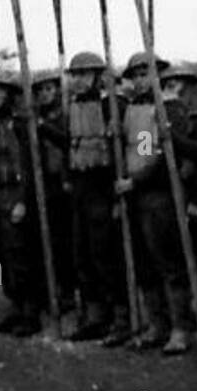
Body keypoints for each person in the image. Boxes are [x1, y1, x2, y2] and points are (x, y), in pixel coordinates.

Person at [114, 50, 197, 354]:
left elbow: (169, 154)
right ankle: (157, 324)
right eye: (136, 75)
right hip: (134, 196)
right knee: (144, 264)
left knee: (170, 263)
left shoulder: (169, 108)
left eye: (146, 74)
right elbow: (133, 150)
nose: (141, 80)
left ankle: (181, 327)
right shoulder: (129, 109)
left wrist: (136, 180)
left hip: (161, 195)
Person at [66, 51, 129, 344]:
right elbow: (71, 145)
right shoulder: (74, 107)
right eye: (75, 75)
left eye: (85, 75)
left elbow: (134, 150)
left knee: (107, 258)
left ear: (98, 77)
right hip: (81, 189)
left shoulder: (113, 106)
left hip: (104, 191)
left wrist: (121, 195)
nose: (79, 81)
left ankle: (121, 318)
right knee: (82, 256)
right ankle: (94, 316)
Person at [0, 69, 41, 336]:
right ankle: (11, 306)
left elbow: (28, 167)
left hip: (15, 196)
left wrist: (22, 201)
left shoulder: (18, 125)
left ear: (8, 96)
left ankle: (30, 312)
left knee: (20, 255)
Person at [163, 63, 197, 337]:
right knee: (172, 261)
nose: (176, 92)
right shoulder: (157, 115)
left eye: (180, 85)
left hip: (194, 198)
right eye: (170, 85)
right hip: (164, 196)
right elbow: (149, 151)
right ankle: (176, 321)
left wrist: (195, 199)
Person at [30, 70, 76, 326]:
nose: (45, 95)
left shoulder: (63, 115)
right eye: (40, 91)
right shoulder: (34, 117)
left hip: (60, 183)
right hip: (41, 185)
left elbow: (67, 142)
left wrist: (43, 128)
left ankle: (67, 292)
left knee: (63, 242)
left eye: (49, 89)